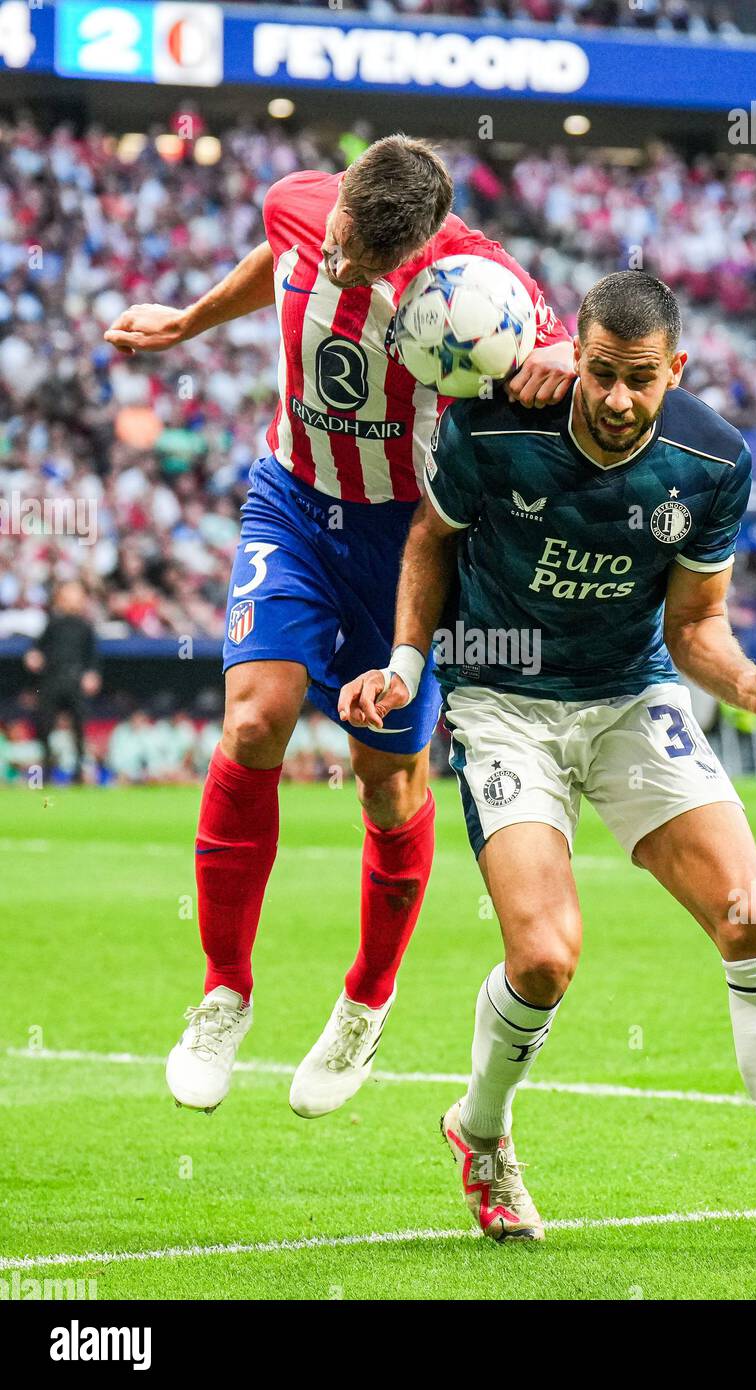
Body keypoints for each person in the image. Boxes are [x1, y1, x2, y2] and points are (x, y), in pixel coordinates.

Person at [339, 271, 756, 1259]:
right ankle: (480, 1128)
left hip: (630, 697)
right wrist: (403, 663)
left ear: (673, 370)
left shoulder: (710, 460)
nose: (613, 399)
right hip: (504, 702)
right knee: (544, 958)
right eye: (597, 373)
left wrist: (748, 685)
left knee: (751, 918)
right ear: (576, 359)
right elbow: (432, 539)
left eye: (638, 380)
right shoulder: (493, 429)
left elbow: (695, 625)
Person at [105, 135, 574, 1117]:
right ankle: (224, 988)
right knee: (251, 719)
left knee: (386, 781)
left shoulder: (480, 281)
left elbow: (558, 347)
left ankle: (365, 997)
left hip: (402, 541)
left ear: (423, 242)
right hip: (291, 497)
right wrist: (189, 322)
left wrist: (564, 355)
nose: (344, 260)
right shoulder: (300, 203)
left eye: (369, 258)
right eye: (343, 238)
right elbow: (277, 264)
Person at [24, 581, 101, 784]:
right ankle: (46, 771)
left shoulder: (85, 627)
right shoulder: (53, 623)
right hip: (52, 678)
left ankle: (78, 772)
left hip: (75, 679)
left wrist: (92, 674)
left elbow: (92, 656)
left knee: (79, 726)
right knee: (45, 724)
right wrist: (34, 656)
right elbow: (37, 647)